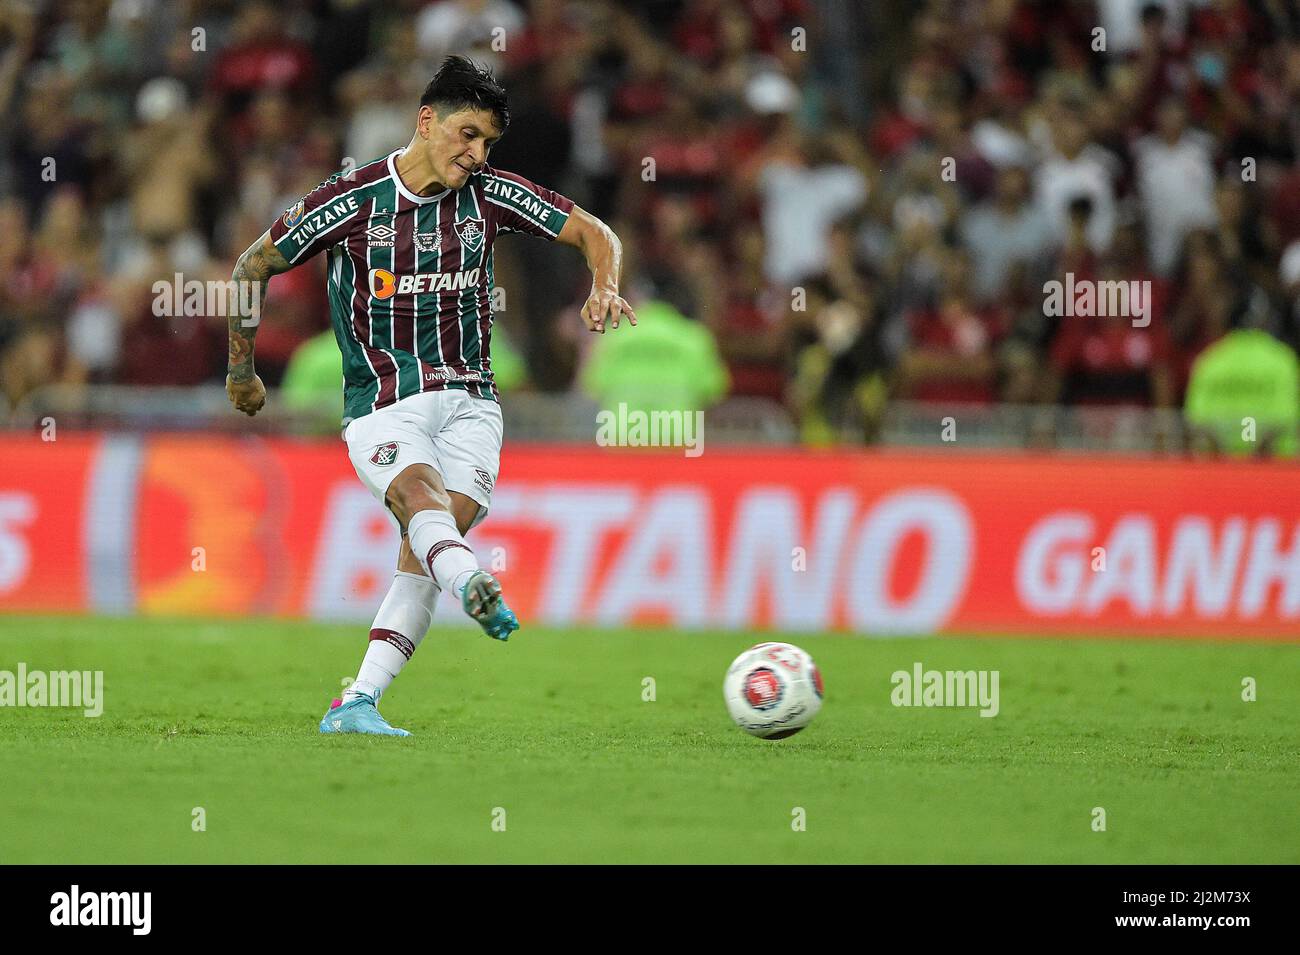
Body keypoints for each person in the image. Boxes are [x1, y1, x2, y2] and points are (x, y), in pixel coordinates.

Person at [224, 56, 636, 736]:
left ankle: (356, 703)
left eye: (487, 144)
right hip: (384, 405)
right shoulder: (351, 200)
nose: (477, 155)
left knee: (430, 540)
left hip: (474, 405)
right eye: (467, 135)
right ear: (427, 121)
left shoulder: (492, 195)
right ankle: (475, 583)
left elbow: (596, 232)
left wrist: (604, 283)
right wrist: (241, 370)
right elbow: (251, 265)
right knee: (424, 502)